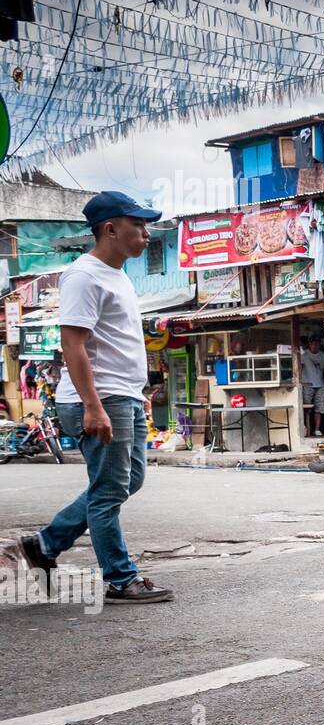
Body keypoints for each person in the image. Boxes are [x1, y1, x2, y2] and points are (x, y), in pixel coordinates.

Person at [15, 192, 174, 603]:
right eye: (137, 225)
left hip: (122, 396)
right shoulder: (83, 276)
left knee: (127, 481)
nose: (146, 232)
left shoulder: (117, 274)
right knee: (107, 492)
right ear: (110, 229)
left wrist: (135, 393)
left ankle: (45, 544)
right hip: (99, 399)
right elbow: (73, 346)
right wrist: (93, 405)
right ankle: (121, 579)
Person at [300, 335, 324, 437]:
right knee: (306, 408)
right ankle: (306, 428)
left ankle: (317, 429)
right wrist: (300, 382)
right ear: (310, 344)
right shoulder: (304, 356)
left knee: (319, 408)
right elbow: (299, 370)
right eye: (313, 343)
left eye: (317, 344)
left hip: (320, 385)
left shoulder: (323, 356)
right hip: (307, 385)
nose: (316, 345)